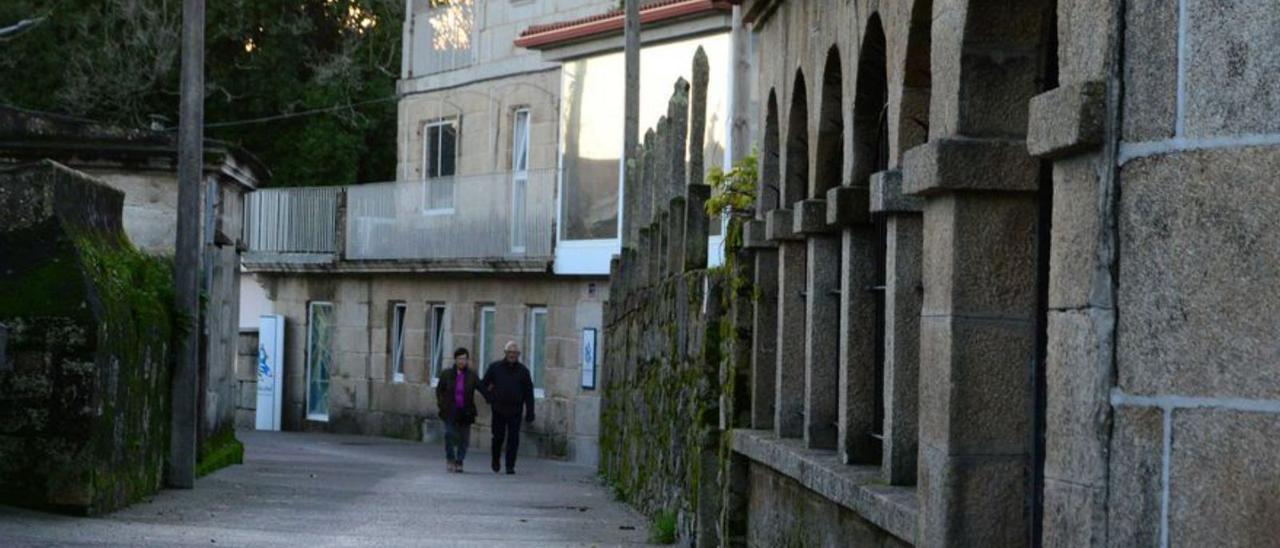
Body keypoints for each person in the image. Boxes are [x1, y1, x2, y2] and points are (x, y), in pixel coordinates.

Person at [481, 341, 535, 474]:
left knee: (513, 439)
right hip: (498, 409)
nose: (512, 355)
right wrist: (490, 397)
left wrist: (530, 412)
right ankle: (495, 459)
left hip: (515, 410)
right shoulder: (495, 367)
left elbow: (529, 393)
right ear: (505, 353)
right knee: (498, 437)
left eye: (515, 353)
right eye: (510, 352)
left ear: (518, 355)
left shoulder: (523, 371)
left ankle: (510, 466)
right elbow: (483, 384)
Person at [435, 347, 483, 473]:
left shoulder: (471, 376)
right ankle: (450, 458)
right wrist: (442, 404)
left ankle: (459, 460)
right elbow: (439, 390)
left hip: (465, 411)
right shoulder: (447, 374)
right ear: (455, 360)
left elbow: (482, 388)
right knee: (449, 434)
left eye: (464, 359)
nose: (462, 361)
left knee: (464, 438)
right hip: (450, 410)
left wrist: (493, 395)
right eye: (460, 359)